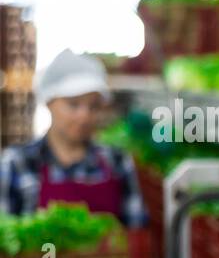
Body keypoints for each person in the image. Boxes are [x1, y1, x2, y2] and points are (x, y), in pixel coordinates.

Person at [1, 49, 146, 227]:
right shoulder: (17, 163)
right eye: (73, 105)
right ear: (49, 101)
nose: (84, 116)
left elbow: (136, 231)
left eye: (93, 107)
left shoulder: (117, 161)